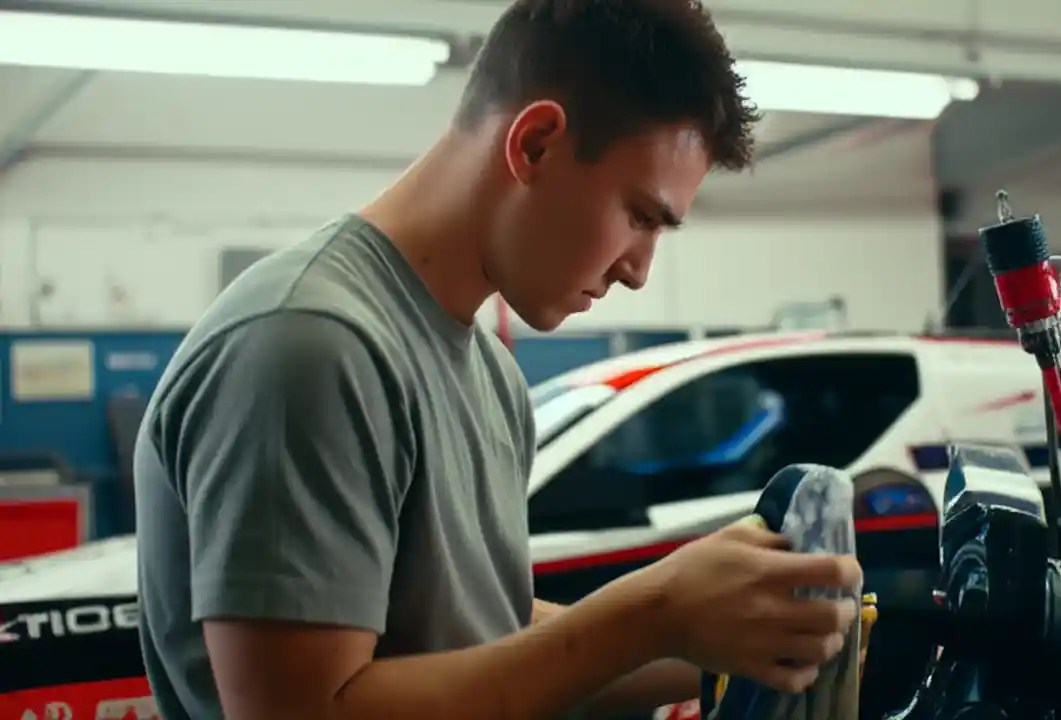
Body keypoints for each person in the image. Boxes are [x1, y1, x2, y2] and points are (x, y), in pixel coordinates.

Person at [133, 1, 863, 718]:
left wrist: (722, 638)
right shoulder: (308, 345)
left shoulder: (491, 376)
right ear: (536, 144)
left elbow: (489, 646)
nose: (639, 269)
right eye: (640, 216)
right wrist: (653, 611)